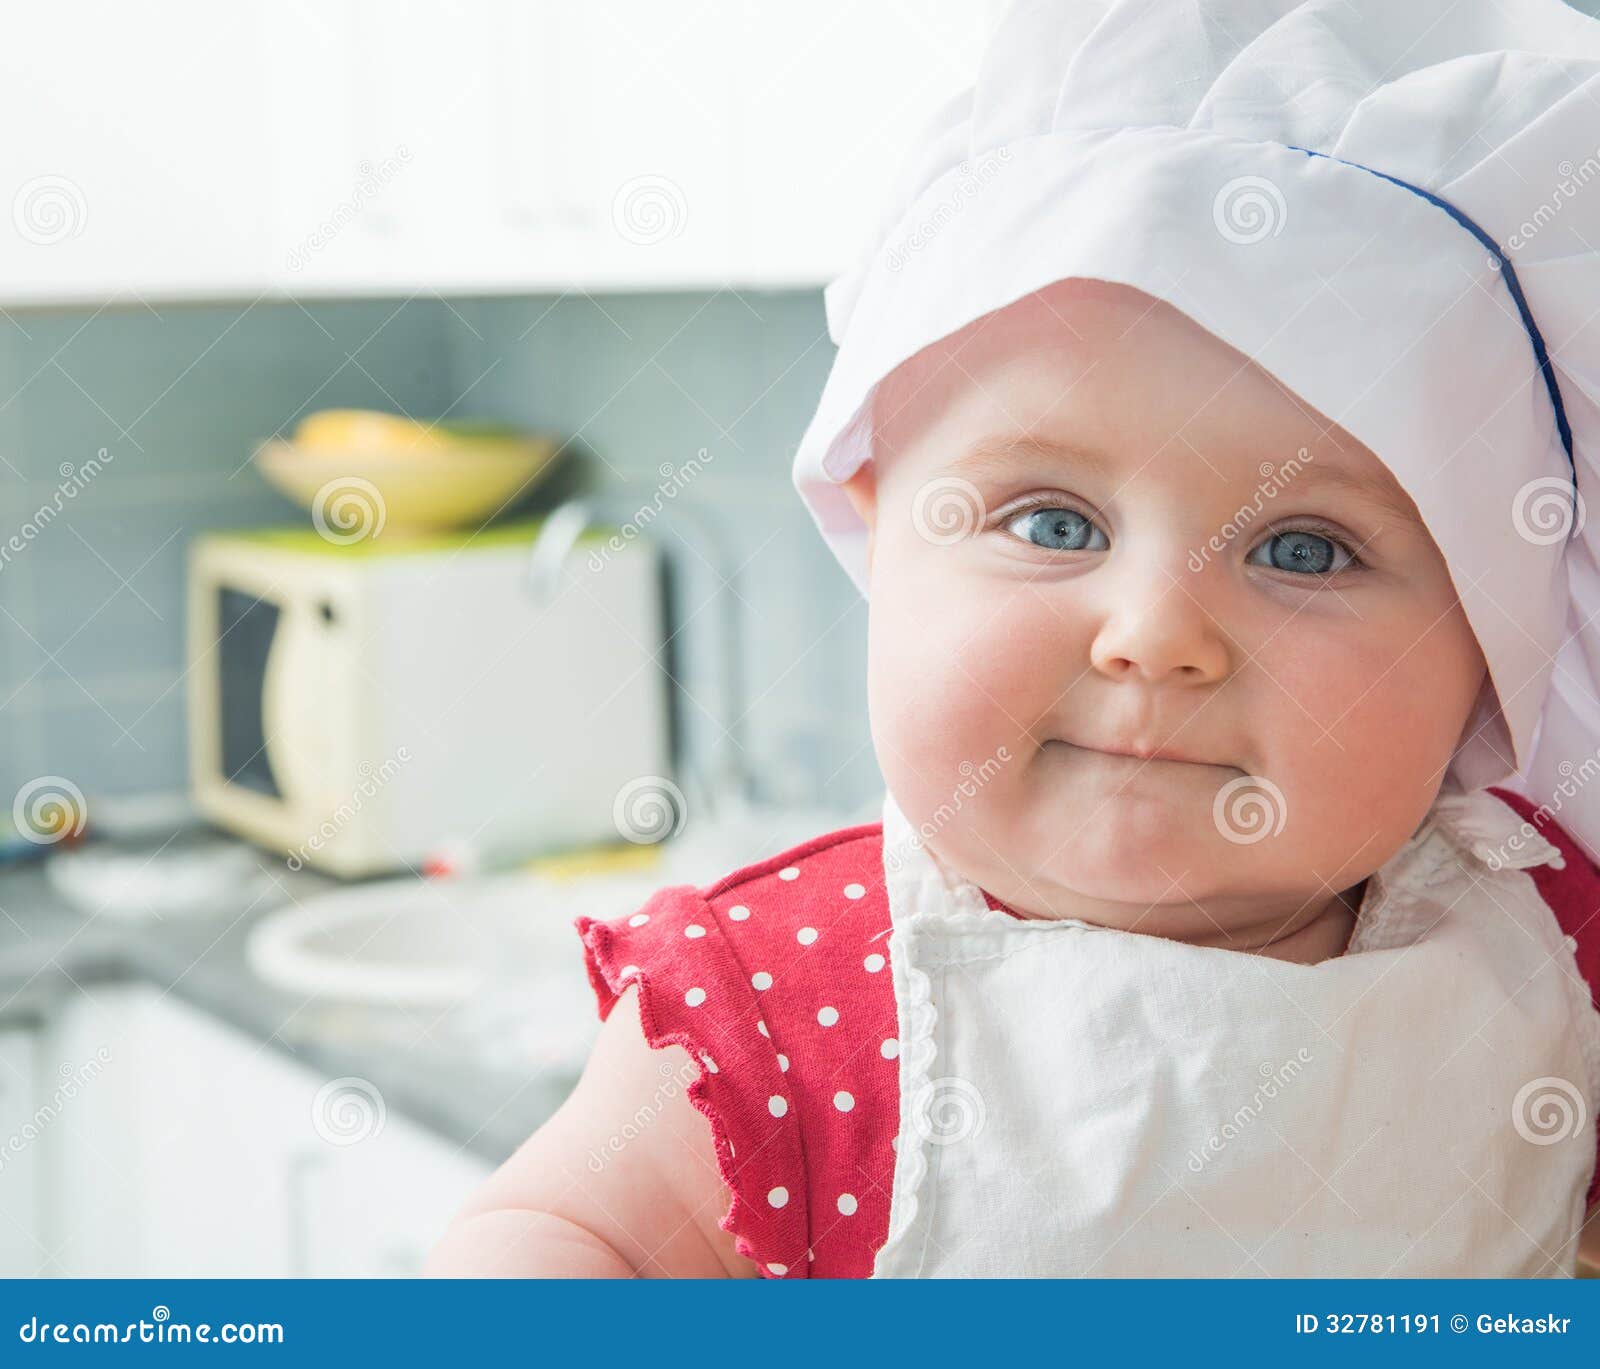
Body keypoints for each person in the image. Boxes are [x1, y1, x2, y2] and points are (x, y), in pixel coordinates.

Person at [426, 0, 1600, 1277]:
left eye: (1302, 549)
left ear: (1491, 640)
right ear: (880, 531)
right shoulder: (774, 1003)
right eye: (1051, 522)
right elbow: (553, 1244)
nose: (1156, 636)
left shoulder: (1544, 957)